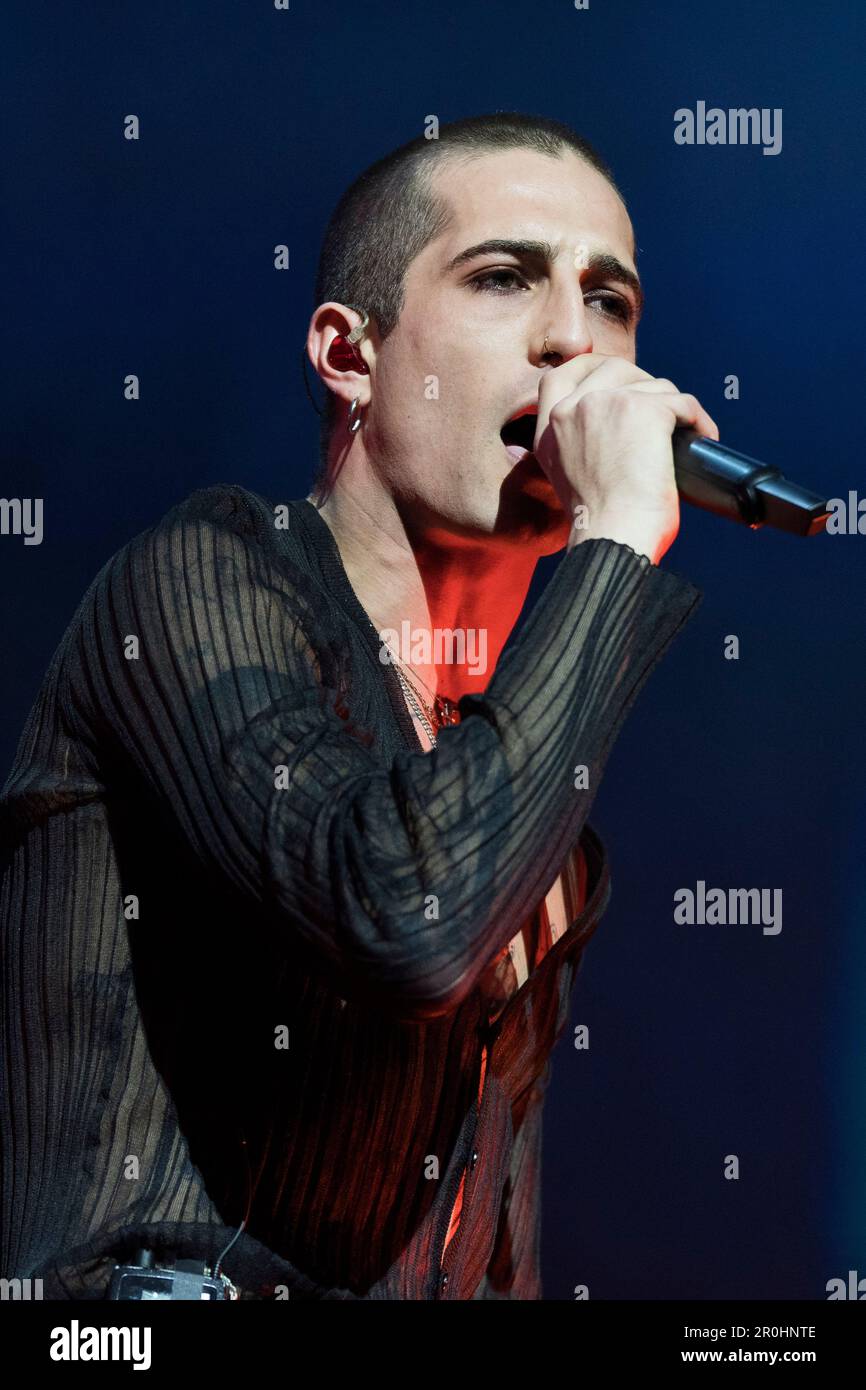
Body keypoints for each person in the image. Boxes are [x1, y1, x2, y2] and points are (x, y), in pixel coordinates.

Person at [0, 112, 717, 1300]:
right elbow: (404, 910)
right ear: (349, 353)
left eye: (609, 303)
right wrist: (612, 543)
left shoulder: (533, 819)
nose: (570, 345)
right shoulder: (200, 576)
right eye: (503, 279)